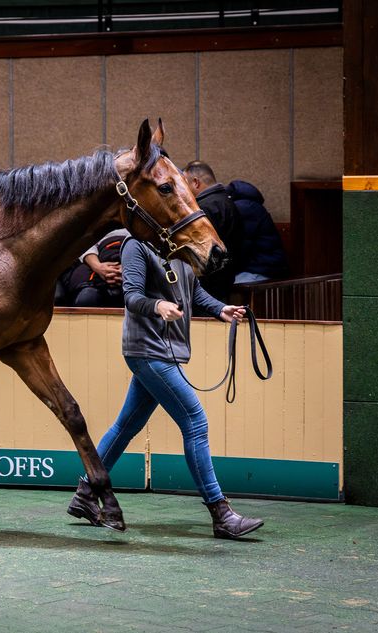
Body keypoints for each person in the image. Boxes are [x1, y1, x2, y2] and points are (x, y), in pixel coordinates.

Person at [66, 237, 264, 540]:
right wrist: (158, 305)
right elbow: (132, 297)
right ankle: (221, 513)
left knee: (126, 426)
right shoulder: (136, 246)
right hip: (148, 351)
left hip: (162, 352)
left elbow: (193, 290)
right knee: (195, 422)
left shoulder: (177, 248)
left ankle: (85, 493)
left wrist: (220, 309)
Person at [183, 160, 242, 302]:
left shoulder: (204, 208)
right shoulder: (227, 201)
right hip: (225, 279)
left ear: (196, 182)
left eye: (184, 183)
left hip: (207, 286)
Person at [226, 180, 289, 284]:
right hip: (264, 265)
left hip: (263, 268)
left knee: (225, 288)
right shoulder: (249, 206)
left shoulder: (244, 208)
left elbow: (240, 244)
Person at [57, 228, 128, 307]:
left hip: (134, 258)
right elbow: (84, 239)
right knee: (86, 298)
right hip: (96, 258)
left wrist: (131, 269)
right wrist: (98, 266)